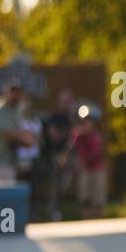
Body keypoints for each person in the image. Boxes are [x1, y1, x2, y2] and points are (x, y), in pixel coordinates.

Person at [0, 82, 35, 184]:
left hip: (10, 161)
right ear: (8, 92)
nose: (17, 95)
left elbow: (21, 133)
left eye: (19, 92)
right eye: (14, 92)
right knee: (2, 195)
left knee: (5, 195)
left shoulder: (15, 110)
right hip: (0, 160)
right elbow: (8, 134)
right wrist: (27, 140)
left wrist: (27, 139)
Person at [62, 105, 108, 219]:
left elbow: (97, 153)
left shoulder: (96, 136)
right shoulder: (77, 134)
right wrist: (65, 158)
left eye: (88, 121)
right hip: (85, 170)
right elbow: (70, 148)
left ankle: (99, 221)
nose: (86, 123)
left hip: (97, 169)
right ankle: (87, 221)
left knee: (98, 200)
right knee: (85, 199)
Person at [45, 89, 76, 221]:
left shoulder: (74, 117)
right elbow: (54, 136)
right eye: (64, 102)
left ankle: (78, 211)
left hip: (72, 156)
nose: (66, 104)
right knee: (56, 185)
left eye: (68, 101)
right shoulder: (55, 117)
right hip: (56, 155)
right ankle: (53, 212)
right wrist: (69, 132)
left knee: (69, 184)